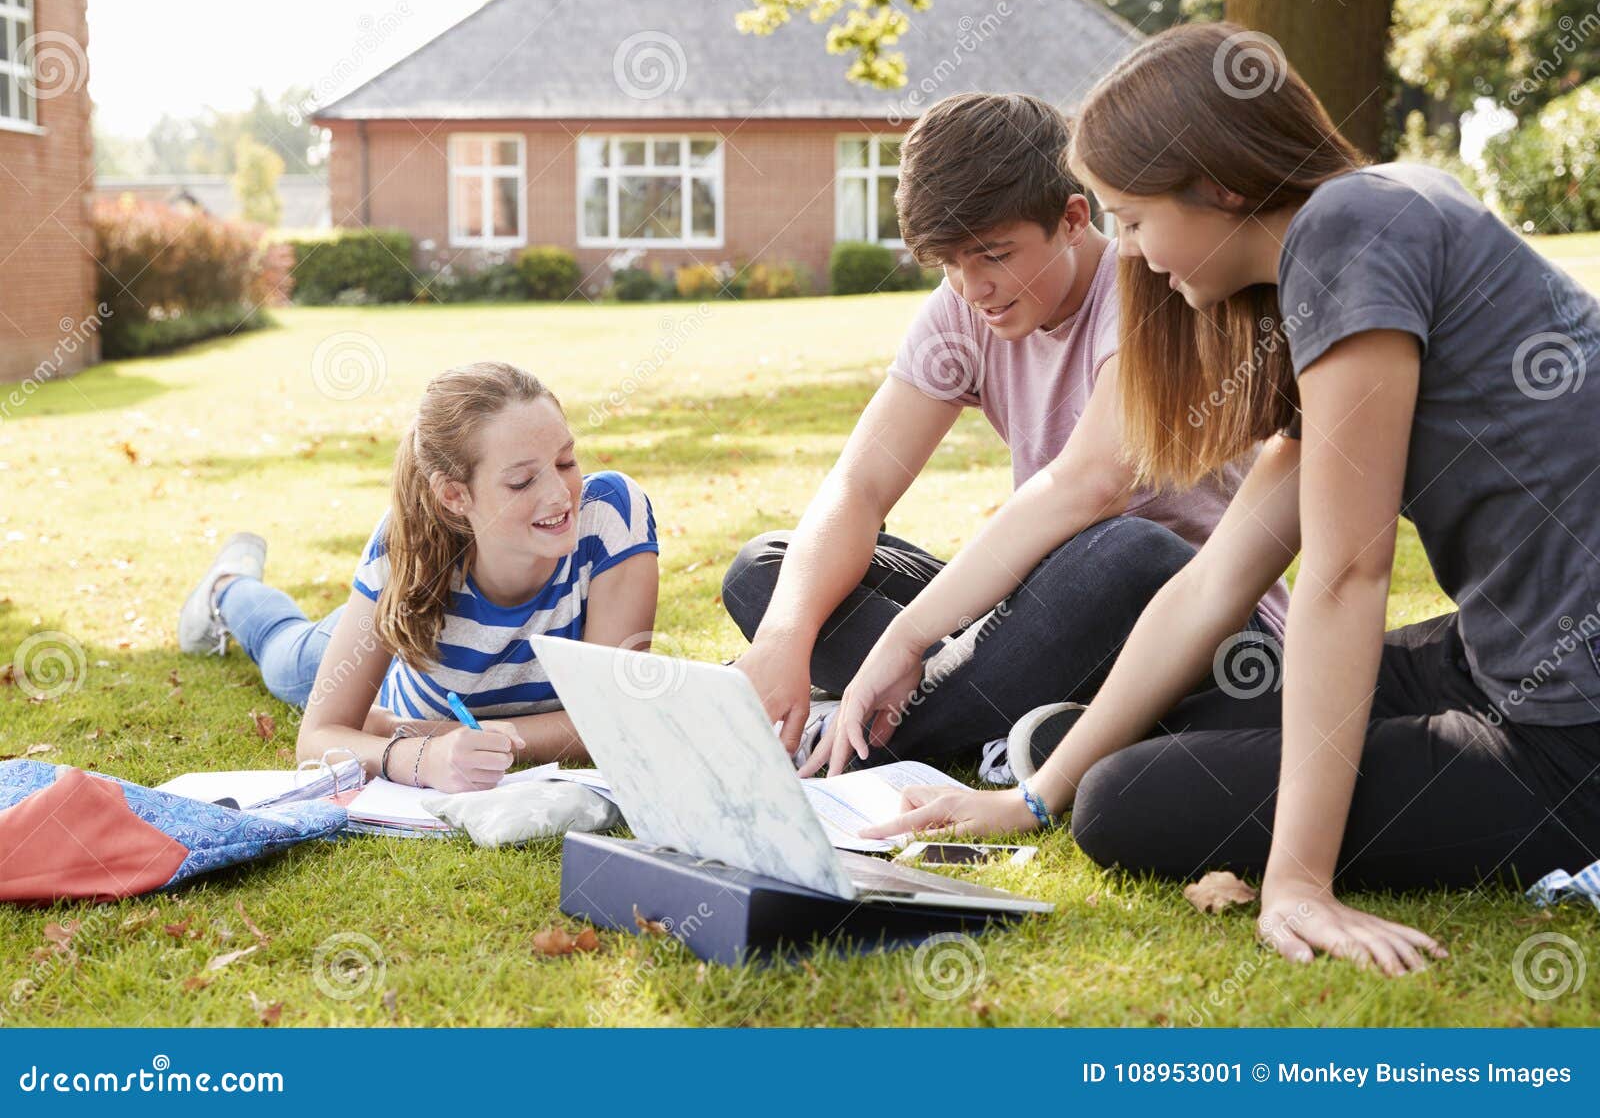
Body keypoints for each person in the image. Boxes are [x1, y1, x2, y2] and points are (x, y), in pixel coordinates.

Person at [862, 23, 1600, 976]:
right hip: (1502, 657)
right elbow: (1217, 577)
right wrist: (1033, 797)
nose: (1129, 253)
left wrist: (1298, 881)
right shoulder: (1364, 225)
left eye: (1132, 218)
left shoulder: (1350, 236)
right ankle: (1055, 759)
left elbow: (1345, 572)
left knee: (1128, 800)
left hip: (1571, 733)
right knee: (1155, 736)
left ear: (1222, 187)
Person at [721, 91, 1289, 775]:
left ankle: (863, 736)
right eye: (949, 263)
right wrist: (786, 634)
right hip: (1040, 617)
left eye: (993, 254)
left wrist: (907, 639)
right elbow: (861, 484)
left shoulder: (1153, 288)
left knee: (1123, 550)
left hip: (1196, 625)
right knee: (770, 572)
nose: (972, 287)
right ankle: (1016, 723)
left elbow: (1090, 484)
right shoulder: (962, 310)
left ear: (1073, 218)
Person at [176, 361, 660, 789]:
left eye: (566, 461)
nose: (560, 494)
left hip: (407, 714)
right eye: (522, 480)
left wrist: (415, 731)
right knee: (286, 653)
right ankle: (227, 586)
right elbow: (318, 738)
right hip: (392, 647)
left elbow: (611, 723)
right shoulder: (406, 549)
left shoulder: (611, 515)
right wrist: (420, 759)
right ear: (455, 495)